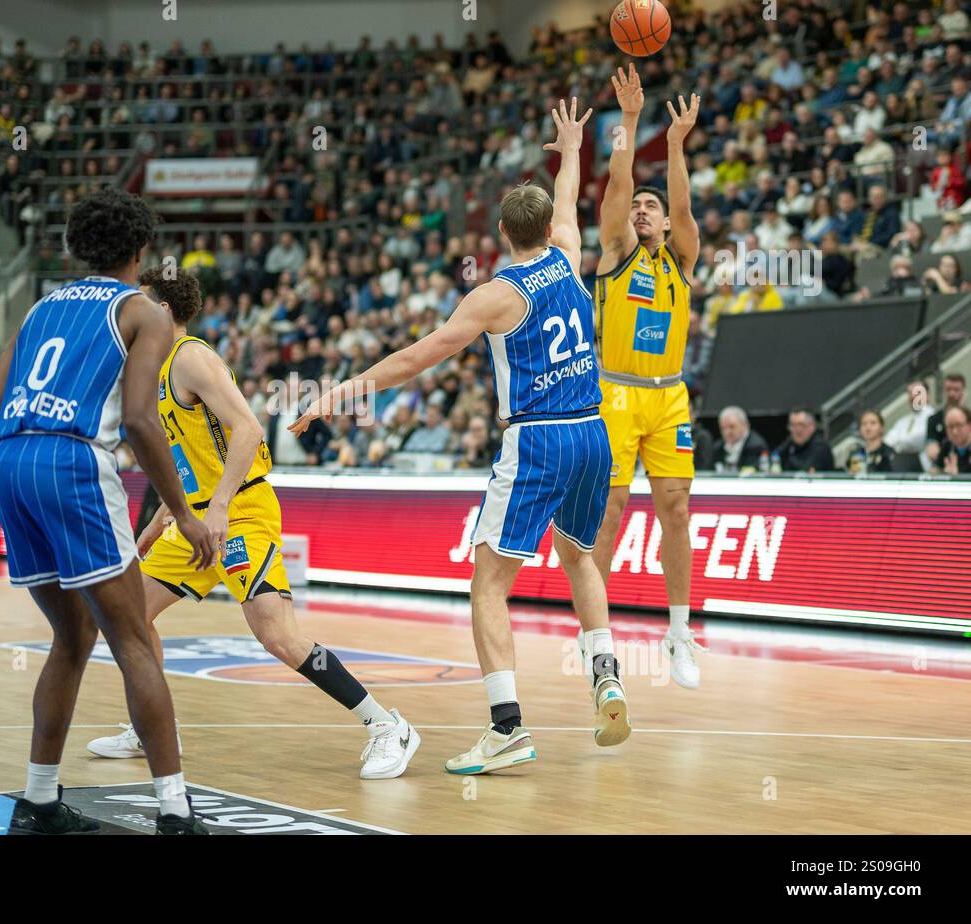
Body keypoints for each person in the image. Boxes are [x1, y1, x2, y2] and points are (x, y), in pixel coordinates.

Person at [294, 97, 631, 776]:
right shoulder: (568, 255)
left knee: (488, 585)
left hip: (538, 440)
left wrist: (340, 392)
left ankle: (507, 728)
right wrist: (570, 150)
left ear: (502, 234)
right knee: (580, 560)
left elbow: (418, 357)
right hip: (595, 433)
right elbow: (566, 201)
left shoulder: (496, 295)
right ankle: (606, 674)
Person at [88, 269, 420, 780]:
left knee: (277, 636)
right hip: (195, 516)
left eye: (141, 302)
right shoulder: (150, 368)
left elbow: (246, 429)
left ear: (163, 309)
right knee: (131, 615)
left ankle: (386, 724)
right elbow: (188, 459)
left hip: (239, 508)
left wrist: (219, 507)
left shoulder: (192, 359)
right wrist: (162, 519)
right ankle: (153, 727)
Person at [0, 189, 216, 835]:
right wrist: (184, 513)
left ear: (76, 247)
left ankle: (38, 801)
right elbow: (140, 419)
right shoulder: (144, 312)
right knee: (133, 636)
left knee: (72, 636)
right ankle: (174, 812)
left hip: (9, 460)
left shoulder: (39, 309)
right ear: (141, 250)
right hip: (70, 462)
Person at [588, 65, 706, 689]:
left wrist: (679, 144)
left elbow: (683, 205)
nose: (640, 208)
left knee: (676, 509)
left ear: (665, 226)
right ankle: (600, 644)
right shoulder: (613, 252)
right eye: (637, 205)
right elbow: (616, 184)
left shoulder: (681, 260)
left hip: (669, 398)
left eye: (649, 206)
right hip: (614, 392)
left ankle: (679, 633)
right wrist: (630, 122)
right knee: (610, 512)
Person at [775, 408, 835, 472]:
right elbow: (774, 457)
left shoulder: (821, 447)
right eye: (793, 425)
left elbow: (805, 473)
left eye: (801, 425)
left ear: (812, 426)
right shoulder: (790, 443)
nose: (797, 430)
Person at [716, 405, 770, 471]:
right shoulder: (718, 447)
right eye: (723, 428)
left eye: (732, 426)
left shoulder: (756, 446)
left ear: (745, 424)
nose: (727, 432)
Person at [934, 404, 971, 475]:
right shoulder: (947, 446)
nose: (954, 432)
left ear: (969, 425)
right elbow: (935, 471)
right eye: (950, 427)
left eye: (959, 425)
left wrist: (957, 477)